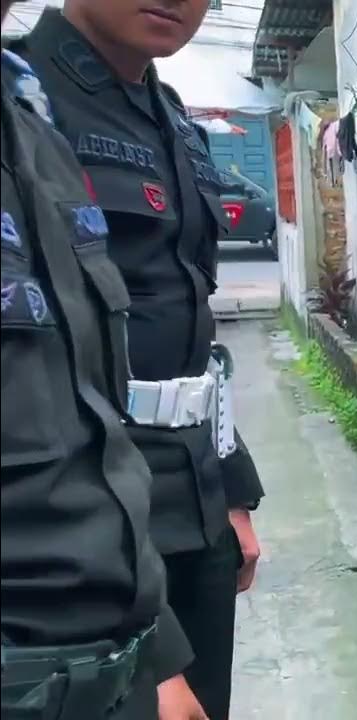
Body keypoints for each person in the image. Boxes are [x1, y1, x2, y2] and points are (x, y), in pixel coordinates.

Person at [11, 3, 266, 719]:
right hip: (82, 529)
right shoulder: (24, 104)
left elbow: (188, 329)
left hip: (192, 500)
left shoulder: (175, 118)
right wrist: (143, 640)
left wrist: (230, 488)